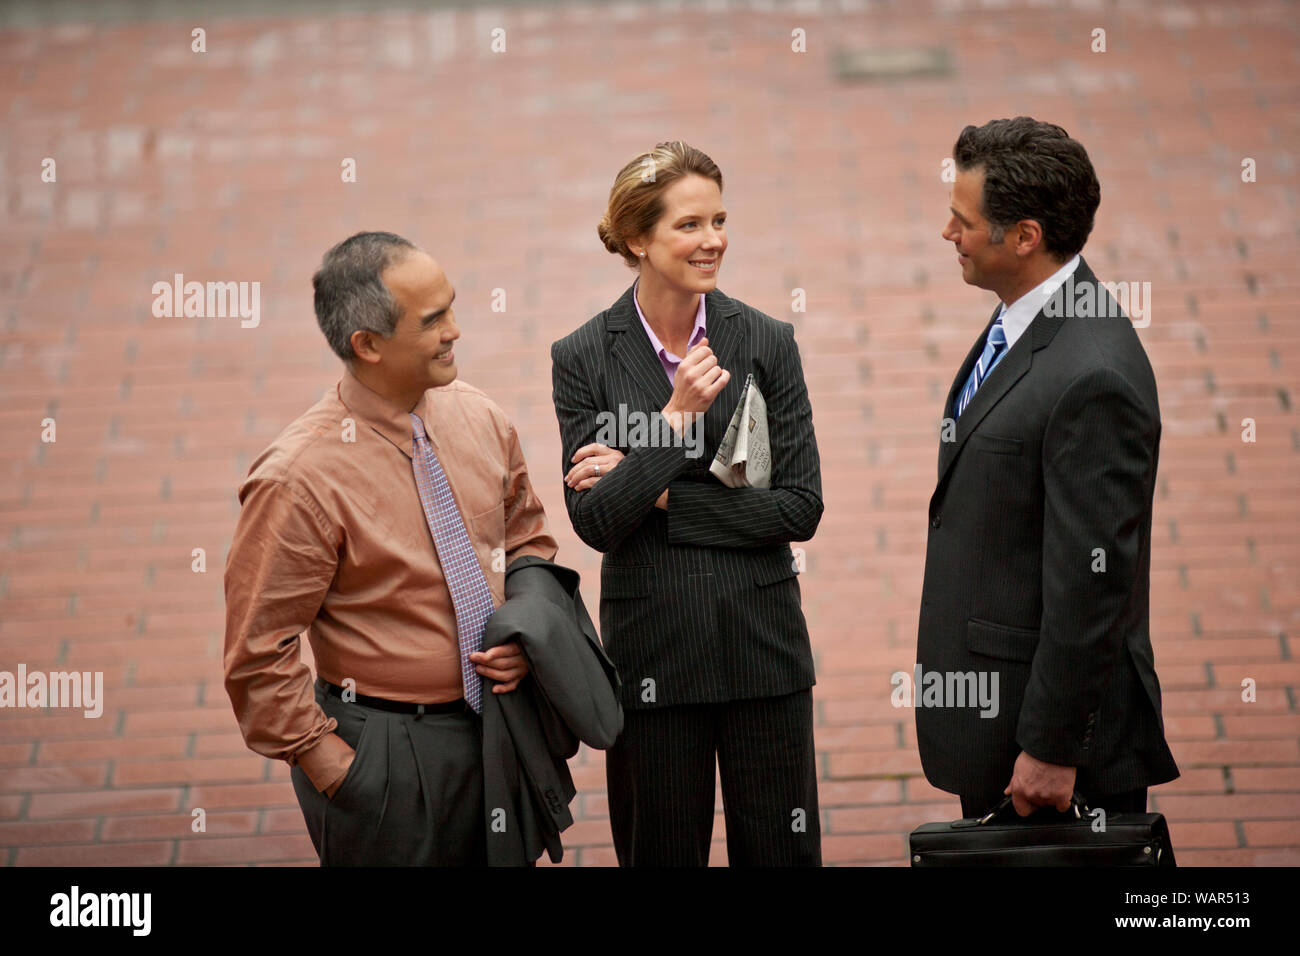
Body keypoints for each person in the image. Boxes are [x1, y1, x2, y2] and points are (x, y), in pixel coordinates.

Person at [223, 231, 557, 865]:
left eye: (451, 307)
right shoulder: (298, 479)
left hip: (499, 731)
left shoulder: (478, 416)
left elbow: (527, 540)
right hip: (385, 753)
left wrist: (524, 636)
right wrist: (333, 766)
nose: (455, 330)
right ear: (367, 344)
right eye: (432, 320)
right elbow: (257, 650)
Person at [550, 141, 823, 866]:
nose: (714, 242)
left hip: (765, 653)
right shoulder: (583, 357)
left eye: (720, 220)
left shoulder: (766, 340)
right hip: (655, 662)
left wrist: (658, 488)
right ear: (637, 238)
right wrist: (672, 427)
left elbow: (799, 508)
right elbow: (597, 522)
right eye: (690, 225)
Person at [918, 117, 1180, 821]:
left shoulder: (1093, 377)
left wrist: (1051, 747)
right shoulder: (1032, 318)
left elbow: (1093, 584)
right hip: (1001, 717)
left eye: (963, 220)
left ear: (1026, 237)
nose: (949, 233)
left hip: (1048, 751)